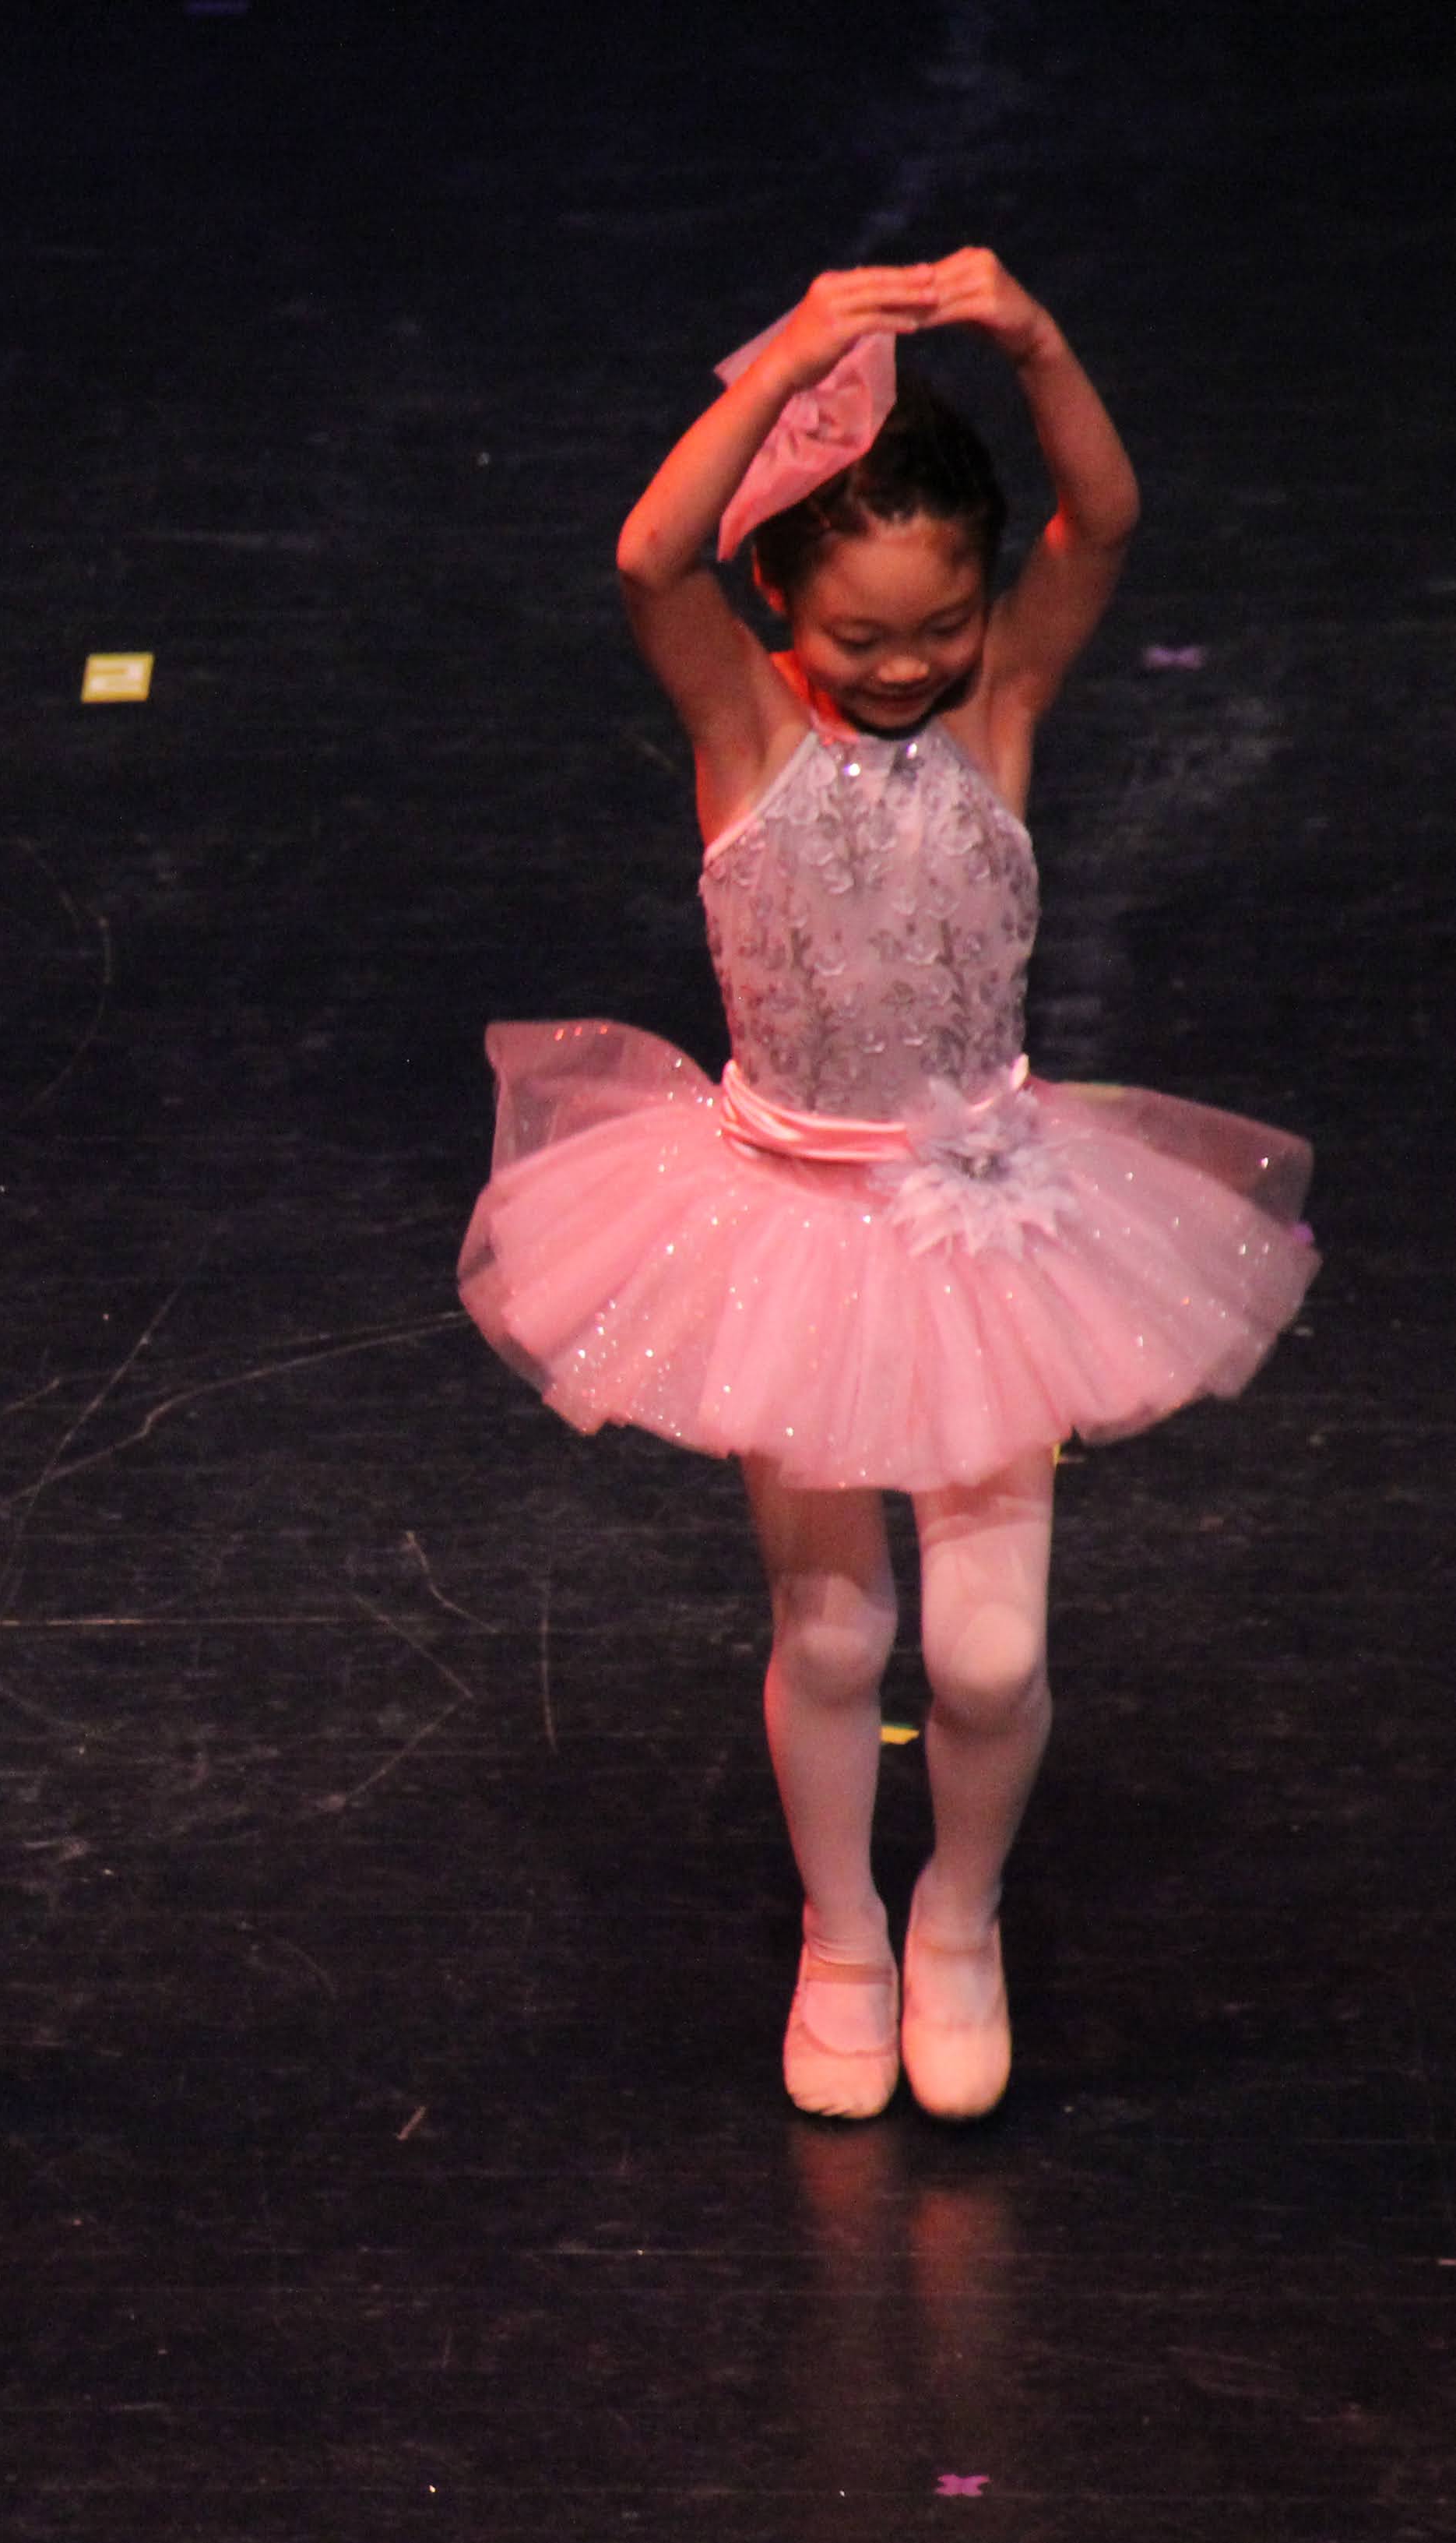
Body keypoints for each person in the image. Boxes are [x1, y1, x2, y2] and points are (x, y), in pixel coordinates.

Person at [459, 254, 1315, 2121]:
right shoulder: (749, 732)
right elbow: (645, 558)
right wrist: (787, 359)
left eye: (938, 624)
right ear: (780, 599)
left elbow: (1107, 517)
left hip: (988, 1225)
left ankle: (959, 1911)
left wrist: (1035, 340)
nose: (906, 664)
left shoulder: (1001, 704)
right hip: (791, 1231)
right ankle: (841, 1928)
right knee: (837, 1630)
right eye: (861, 634)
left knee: (989, 1657)